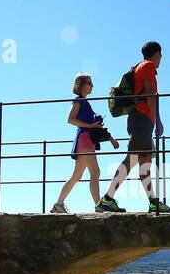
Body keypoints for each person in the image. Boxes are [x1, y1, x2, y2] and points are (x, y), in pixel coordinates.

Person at [96, 41, 170, 214]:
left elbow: (150, 95)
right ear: (157, 53)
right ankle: (107, 199)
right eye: (161, 54)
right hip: (142, 119)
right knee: (132, 159)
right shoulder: (147, 66)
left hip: (141, 120)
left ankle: (153, 203)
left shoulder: (141, 67)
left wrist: (156, 120)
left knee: (144, 163)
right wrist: (158, 120)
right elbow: (149, 93)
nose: (161, 58)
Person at [50, 74, 119, 213]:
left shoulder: (85, 102)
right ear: (81, 84)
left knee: (77, 176)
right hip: (85, 139)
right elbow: (70, 119)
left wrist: (109, 137)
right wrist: (90, 125)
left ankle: (58, 204)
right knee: (95, 171)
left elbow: (89, 125)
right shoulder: (79, 101)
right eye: (89, 83)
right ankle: (99, 205)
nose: (92, 86)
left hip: (86, 140)